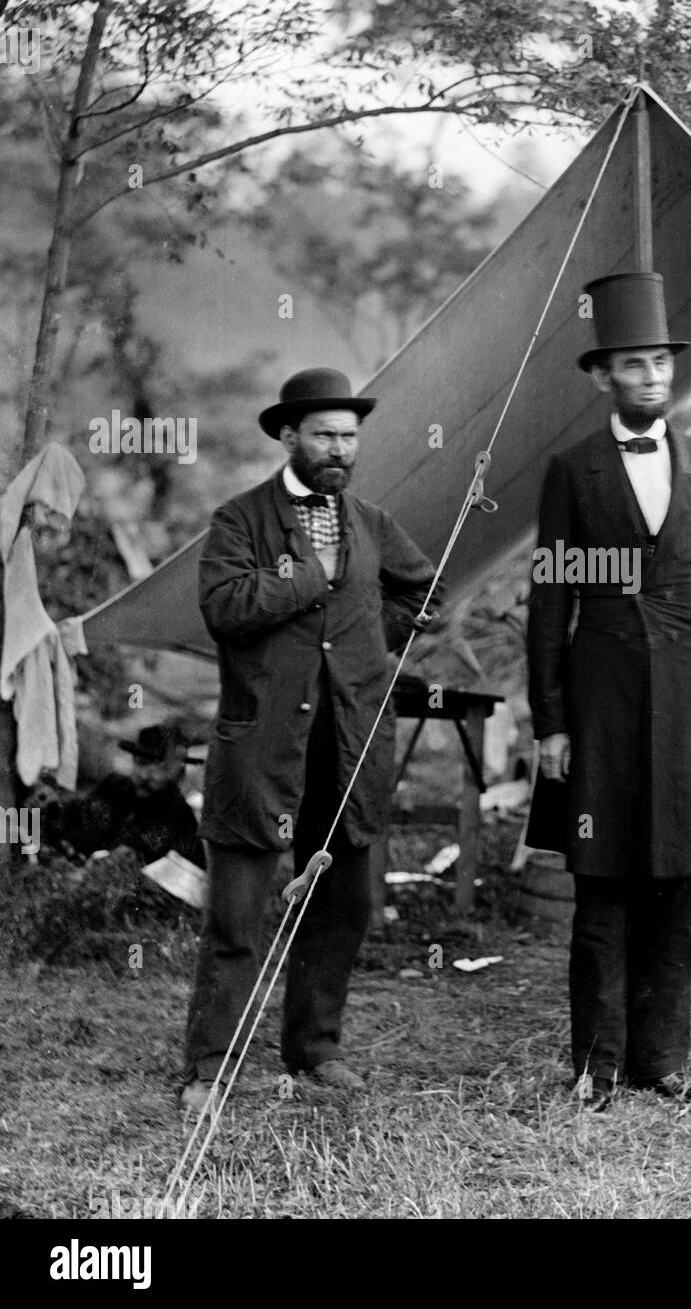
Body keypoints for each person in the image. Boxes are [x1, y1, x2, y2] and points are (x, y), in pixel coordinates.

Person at [180, 368, 437, 1113]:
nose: (339, 448)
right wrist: (307, 578)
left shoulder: (371, 520)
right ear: (288, 436)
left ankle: (314, 1048)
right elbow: (224, 608)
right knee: (238, 911)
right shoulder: (239, 520)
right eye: (324, 434)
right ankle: (209, 1066)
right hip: (261, 747)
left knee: (342, 902)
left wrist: (367, 641)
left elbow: (423, 589)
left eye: (349, 436)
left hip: (349, 744)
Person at [527, 272, 691, 1113]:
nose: (653, 377)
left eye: (661, 362)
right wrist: (551, 721)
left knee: (678, 892)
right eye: (634, 364)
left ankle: (663, 1060)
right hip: (601, 702)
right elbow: (549, 601)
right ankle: (596, 1064)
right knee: (603, 889)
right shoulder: (572, 471)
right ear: (601, 377)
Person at [54, 723, 202, 867]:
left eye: (158, 768)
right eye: (141, 763)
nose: (145, 776)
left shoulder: (179, 816)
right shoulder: (113, 787)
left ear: (174, 773)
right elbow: (78, 820)